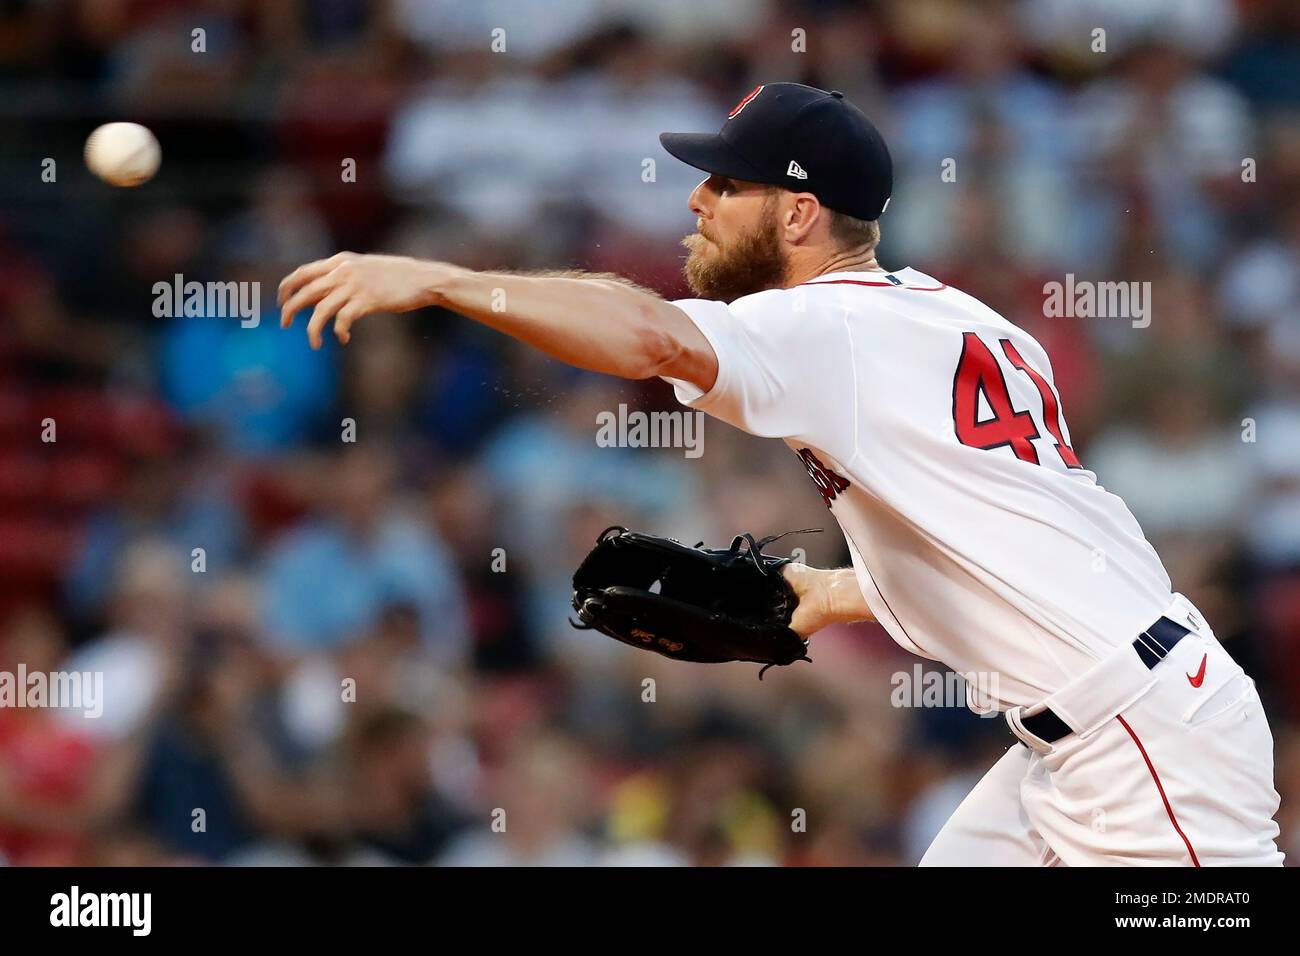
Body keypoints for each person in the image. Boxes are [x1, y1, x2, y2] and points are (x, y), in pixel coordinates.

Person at [276, 82, 1284, 866]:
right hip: (1113, 718)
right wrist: (829, 595)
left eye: (726, 185)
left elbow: (647, 335)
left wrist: (446, 280)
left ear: (798, 214)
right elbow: (1003, 542)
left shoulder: (821, 325)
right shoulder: (963, 319)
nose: (697, 200)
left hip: (1139, 744)